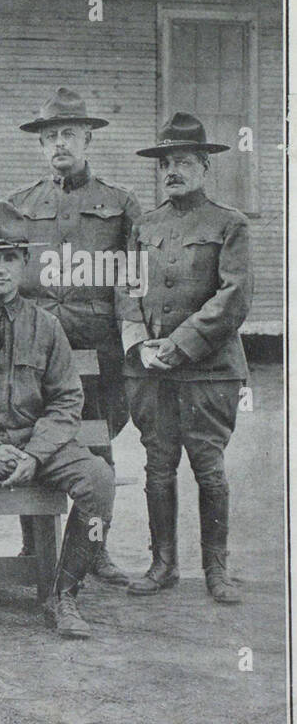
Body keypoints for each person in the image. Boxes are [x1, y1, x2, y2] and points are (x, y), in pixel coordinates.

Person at [0, 201, 115, 639]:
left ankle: (63, 595)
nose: (0, 268)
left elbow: (67, 399)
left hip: (36, 444)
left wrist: (34, 453)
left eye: (10, 257)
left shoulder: (46, 326)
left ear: (25, 262)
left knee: (99, 478)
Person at [7, 87, 140, 584]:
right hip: (34, 348)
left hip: (97, 347)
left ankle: (95, 552)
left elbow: (131, 281)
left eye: (68, 133)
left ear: (87, 138)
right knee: (27, 437)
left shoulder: (120, 203)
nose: (59, 143)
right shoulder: (20, 205)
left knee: (98, 445)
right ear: (41, 146)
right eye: (50, 136)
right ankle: (31, 544)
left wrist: (130, 343)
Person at [117, 113, 252, 604]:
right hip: (150, 369)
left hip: (207, 370)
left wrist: (181, 344)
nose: (173, 171)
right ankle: (163, 564)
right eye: (166, 163)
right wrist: (140, 341)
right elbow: (126, 288)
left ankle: (216, 570)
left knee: (208, 466)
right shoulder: (144, 225)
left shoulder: (229, 223)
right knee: (157, 464)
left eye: (184, 162)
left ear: (204, 167)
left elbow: (234, 296)